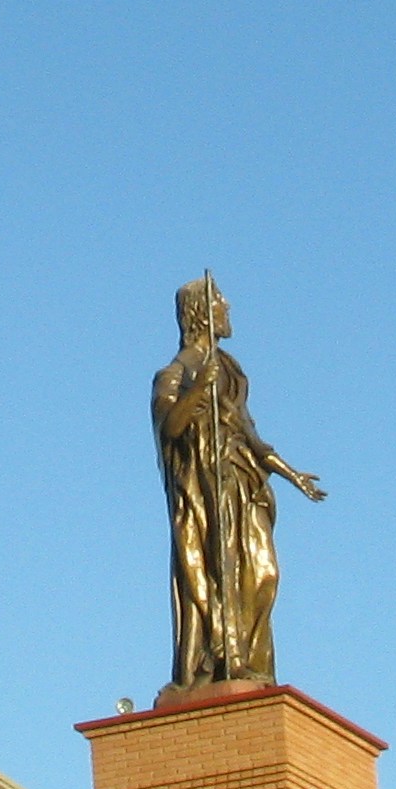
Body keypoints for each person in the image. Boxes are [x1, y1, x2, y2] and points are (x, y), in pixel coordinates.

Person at [153, 275, 324, 696]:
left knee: (263, 573)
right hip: (205, 499)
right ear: (200, 313)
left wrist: (291, 474)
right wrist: (198, 393)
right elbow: (170, 427)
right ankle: (222, 656)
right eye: (219, 304)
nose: (227, 311)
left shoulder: (231, 371)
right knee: (216, 574)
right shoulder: (174, 374)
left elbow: (250, 436)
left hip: (242, 487)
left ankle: (250, 659)